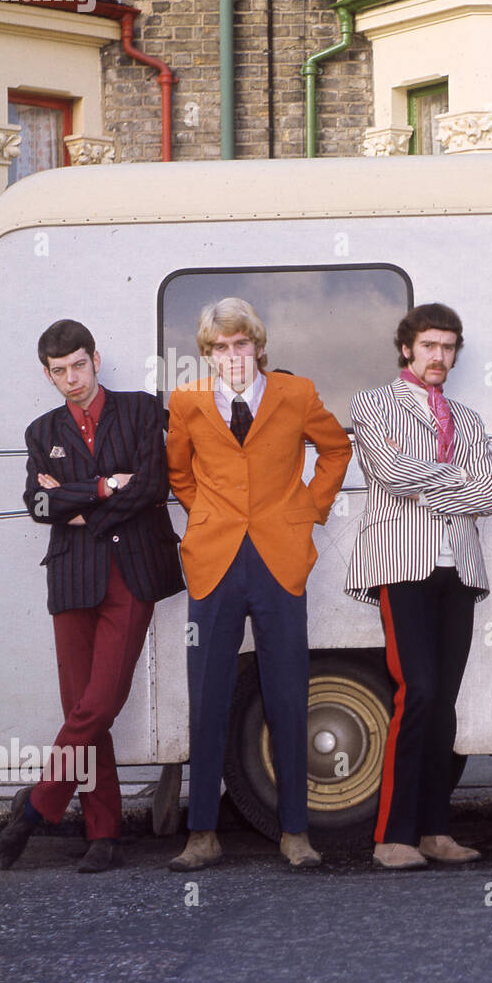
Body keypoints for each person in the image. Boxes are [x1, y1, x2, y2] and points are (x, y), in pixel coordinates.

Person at [165, 298, 352, 871]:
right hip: (215, 562)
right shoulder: (188, 401)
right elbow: (177, 472)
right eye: (220, 347)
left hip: (279, 559)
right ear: (207, 353)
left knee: (287, 693)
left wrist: (307, 510)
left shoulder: (296, 394)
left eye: (241, 344)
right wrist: (206, 516)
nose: (232, 355)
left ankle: (294, 830)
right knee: (209, 697)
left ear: (258, 347)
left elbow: (336, 449)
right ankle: (202, 833)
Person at [0, 320, 184, 873]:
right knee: (81, 709)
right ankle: (103, 832)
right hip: (71, 579)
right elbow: (36, 505)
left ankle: (36, 807)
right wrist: (104, 487)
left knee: (100, 702)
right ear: (48, 374)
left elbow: (152, 487)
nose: (71, 379)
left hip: (131, 573)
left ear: (96, 359)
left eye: (79, 365)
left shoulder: (143, 411)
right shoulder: (40, 432)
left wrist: (79, 510)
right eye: (59, 371)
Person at [345, 304, 492, 870]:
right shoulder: (373, 404)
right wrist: (455, 480)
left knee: (444, 703)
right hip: (401, 566)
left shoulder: (468, 417)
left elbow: (488, 497)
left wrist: (435, 484)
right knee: (419, 692)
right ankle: (393, 834)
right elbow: (390, 471)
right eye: (430, 345)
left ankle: (436, 829)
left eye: (449, 346)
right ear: (407, 348)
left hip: (458, 570)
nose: (440, 356)